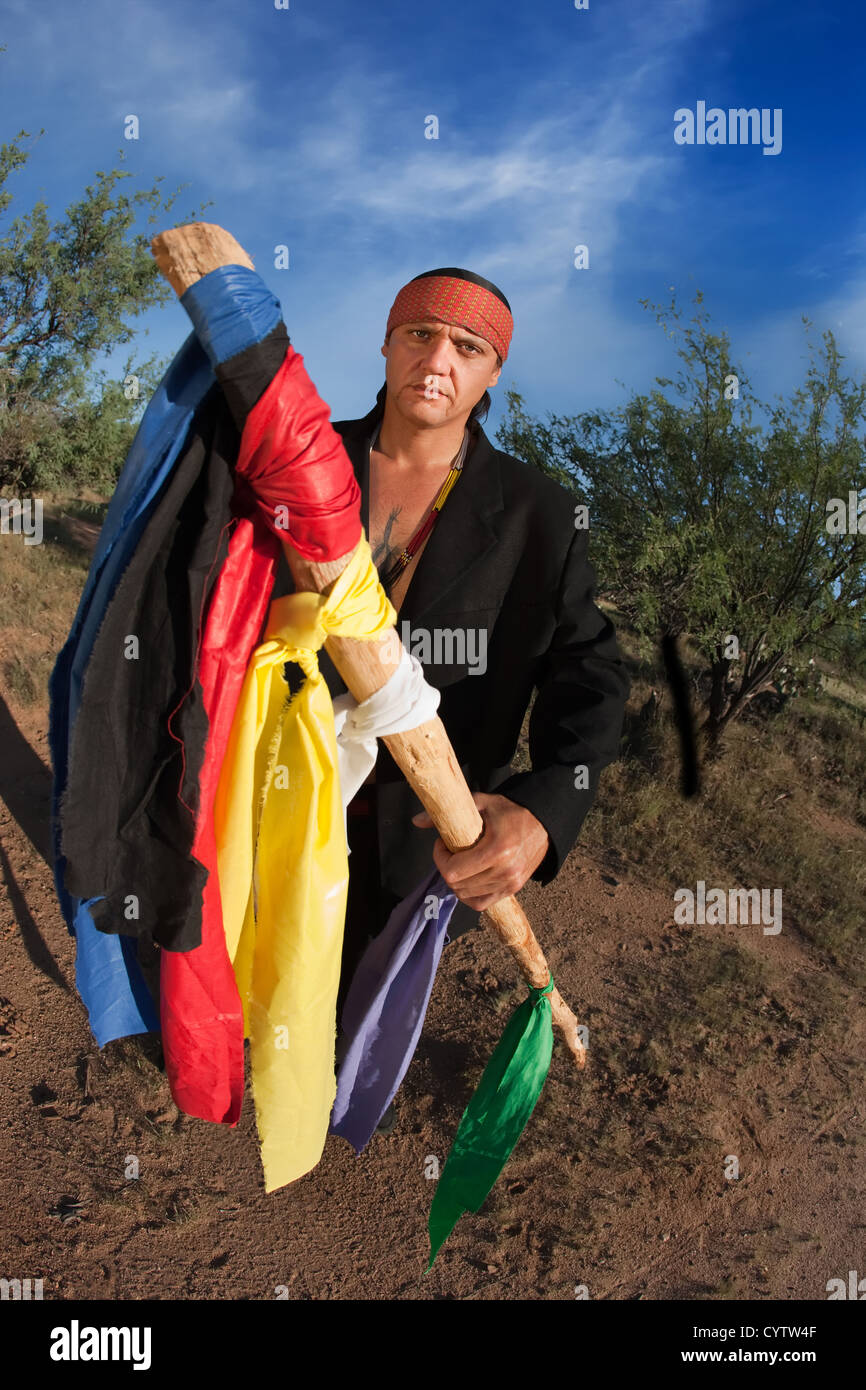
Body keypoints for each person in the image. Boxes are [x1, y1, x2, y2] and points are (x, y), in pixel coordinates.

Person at [274, 266, 632, 1045]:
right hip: (272, 790)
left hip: (419, 831)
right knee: (251, 954)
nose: (438, 361)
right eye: (420, 334)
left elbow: (592, 674)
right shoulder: (305, 469)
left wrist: (544, 811)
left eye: (468, 346)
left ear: (493, 371)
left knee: (350, 1002)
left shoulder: (539, 515)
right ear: (387, 343)